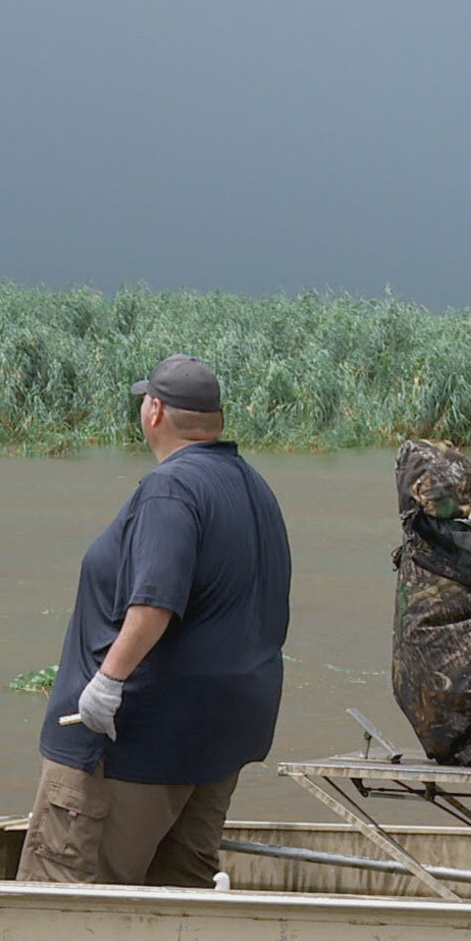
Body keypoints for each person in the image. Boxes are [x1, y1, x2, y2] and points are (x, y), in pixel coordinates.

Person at [16, 354, 291, 886]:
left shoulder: (171, 489)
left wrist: (106, 685)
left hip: (130, 741)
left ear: (155, 410)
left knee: (67, 890)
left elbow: (154, 602)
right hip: (219, 741)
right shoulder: (254, 487)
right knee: (178, 896)